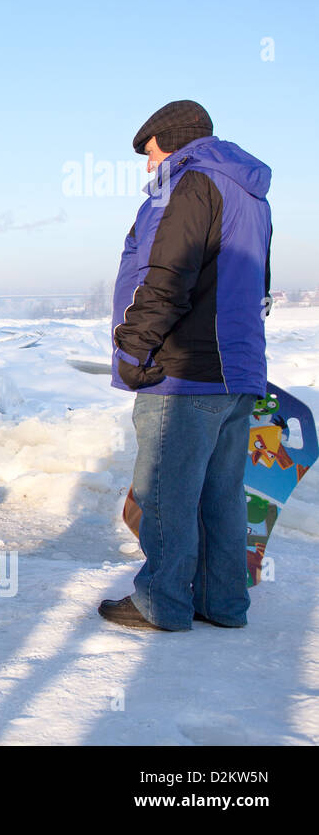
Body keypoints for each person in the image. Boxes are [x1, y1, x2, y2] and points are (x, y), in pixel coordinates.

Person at [99, 100, 273, 631]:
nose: (147, 168)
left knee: (165, 492)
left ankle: (162, 601)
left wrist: (133, 350)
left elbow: (167, 277)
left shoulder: (189, 185)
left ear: (171, 141)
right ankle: (222, 601)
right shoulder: (248, 192)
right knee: (220, 494)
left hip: (184, 369)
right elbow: (258, 283)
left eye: (150, 155)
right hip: (237, 370)